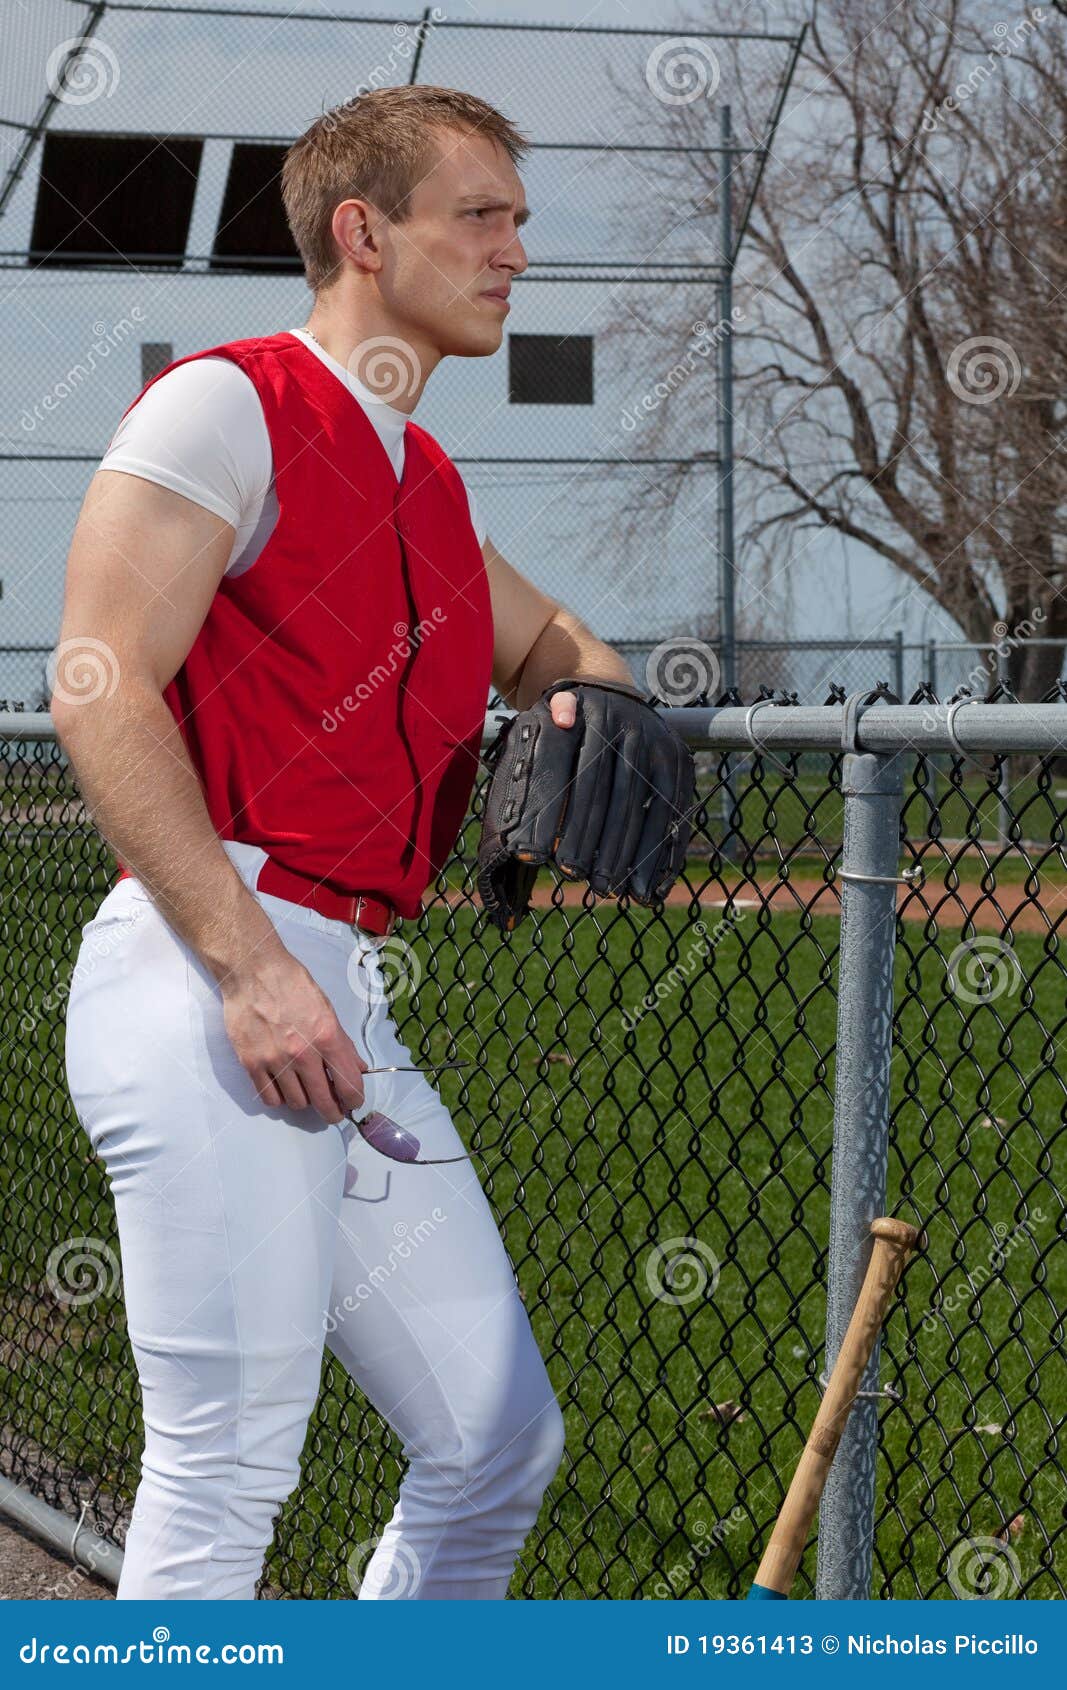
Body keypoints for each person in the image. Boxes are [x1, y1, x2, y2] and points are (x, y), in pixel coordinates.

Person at [57, 85, 639, 1601]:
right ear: (364, 233)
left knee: (497, 1435)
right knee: (229, 1461)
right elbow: (97, 682)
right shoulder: (226, 402)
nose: (517, 249)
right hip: (213, 962)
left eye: (520, 217)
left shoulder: (427, 483)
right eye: (482, 215)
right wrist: (249, 972)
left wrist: (595, 703)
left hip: (350, 997)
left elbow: (566, 647)